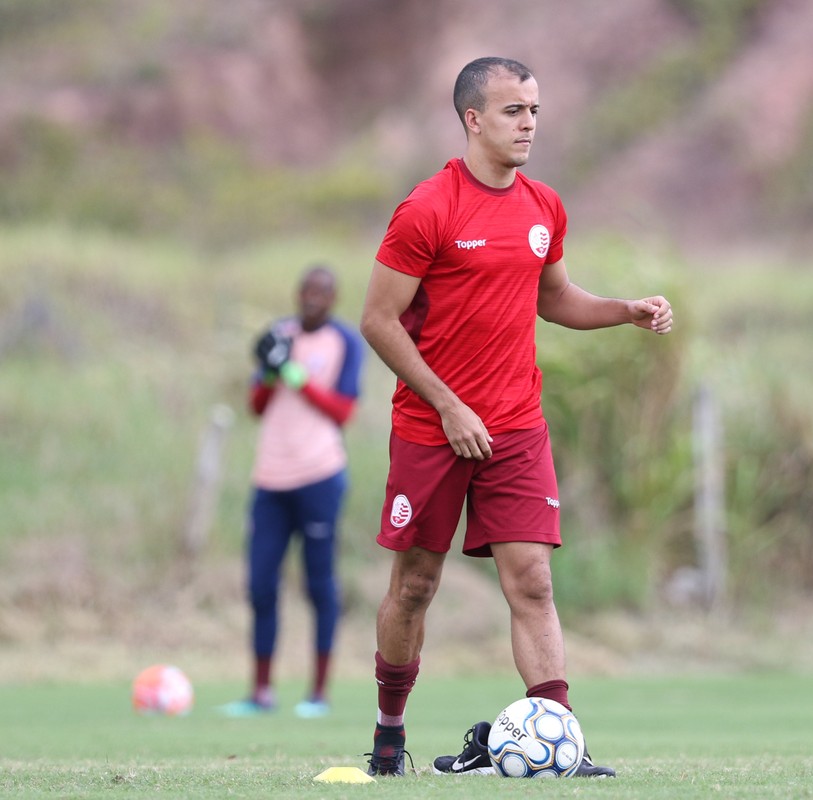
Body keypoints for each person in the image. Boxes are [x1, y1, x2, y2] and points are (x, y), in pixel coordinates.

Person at [358, 57, 673, 777]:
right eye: (512, 110)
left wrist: (623, 310)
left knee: (532, 581)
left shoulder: (543, 206)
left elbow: (553, 296)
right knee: (414, 587)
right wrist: (447, 404)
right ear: (473, 119)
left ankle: (562, 740)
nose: (529, 122)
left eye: (534, 109)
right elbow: (378, 321)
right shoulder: (427, 209)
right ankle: (387, 734)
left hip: (516, 427)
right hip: (431, 428)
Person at [220, 266, 364, 718]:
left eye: (321, 292)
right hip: (270, 480)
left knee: (319, 586)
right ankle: (260, 692)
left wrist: (296, 375)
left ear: (333, 297)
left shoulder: (344, 342)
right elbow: (257, 407)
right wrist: (267, 371)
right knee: (261, 585)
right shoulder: (278, 334)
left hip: (320, 476)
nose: (312, 298)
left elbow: (343, 410)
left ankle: (318, 693)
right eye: (306, 290)